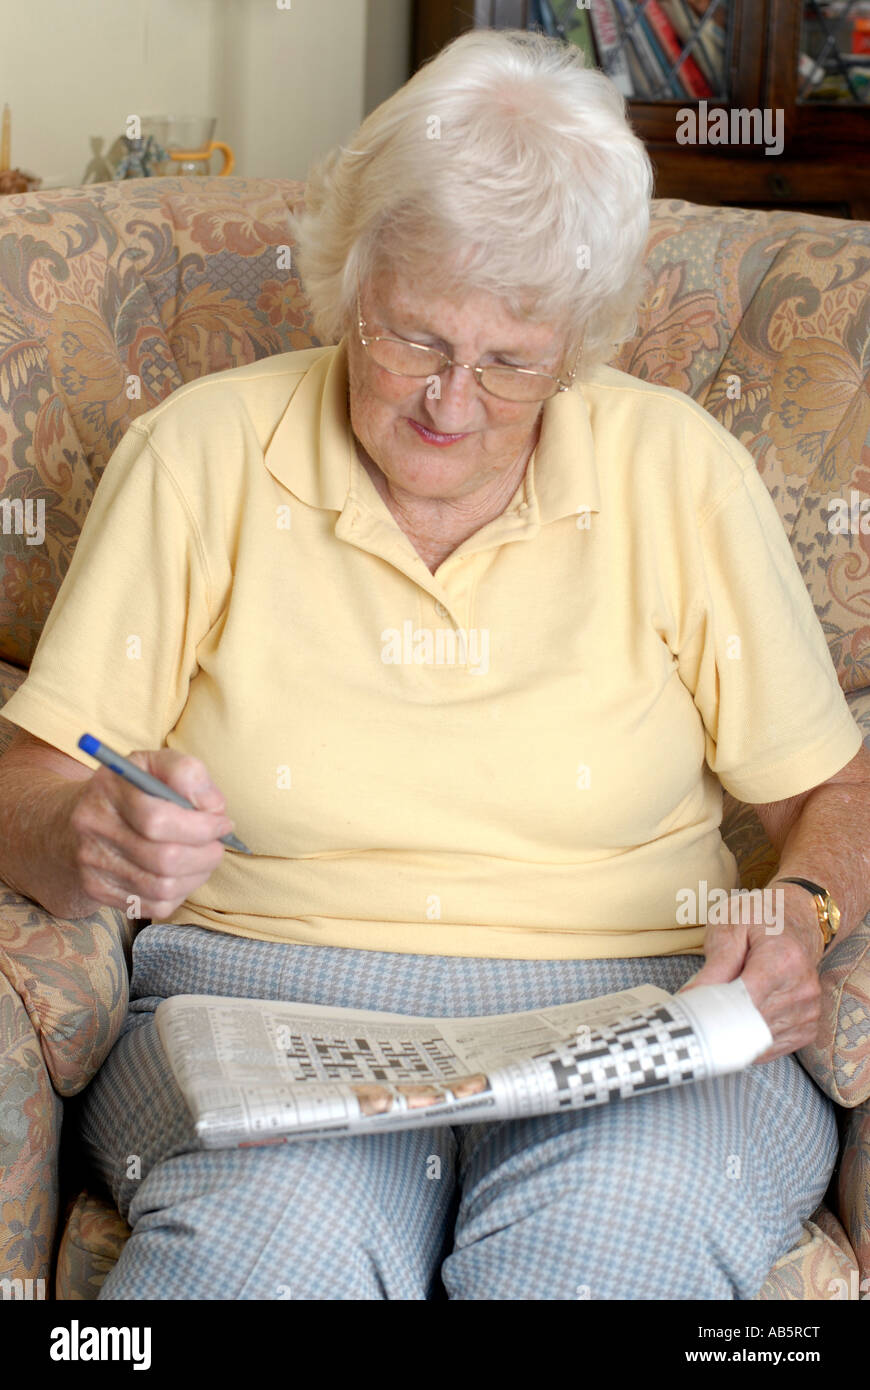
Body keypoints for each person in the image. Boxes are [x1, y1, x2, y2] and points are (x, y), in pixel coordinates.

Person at [0, 28, 867, 1302]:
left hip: (635, 1012)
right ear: (349, 287)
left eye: (510, 362)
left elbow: (831, 798)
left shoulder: (676, 472)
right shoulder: (202, 456)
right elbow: (23, 783)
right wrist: (87, 832)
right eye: (412, 340)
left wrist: (800, 913)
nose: (450, 403)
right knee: (273, 1244)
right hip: (264, 1007)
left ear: (577, 343)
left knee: (610, 1242)